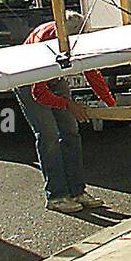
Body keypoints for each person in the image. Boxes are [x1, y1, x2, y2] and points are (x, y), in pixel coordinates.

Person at [15, 11, 113, 213]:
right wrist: (69, 105)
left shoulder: (77, 38)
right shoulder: (44, 42)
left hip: (55, 77)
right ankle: (56, 195)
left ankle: (78, 191)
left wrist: (110, 102)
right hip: (28, 80)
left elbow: (91, 70)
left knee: (71, 132)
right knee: (48, 134)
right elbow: (38, 92)